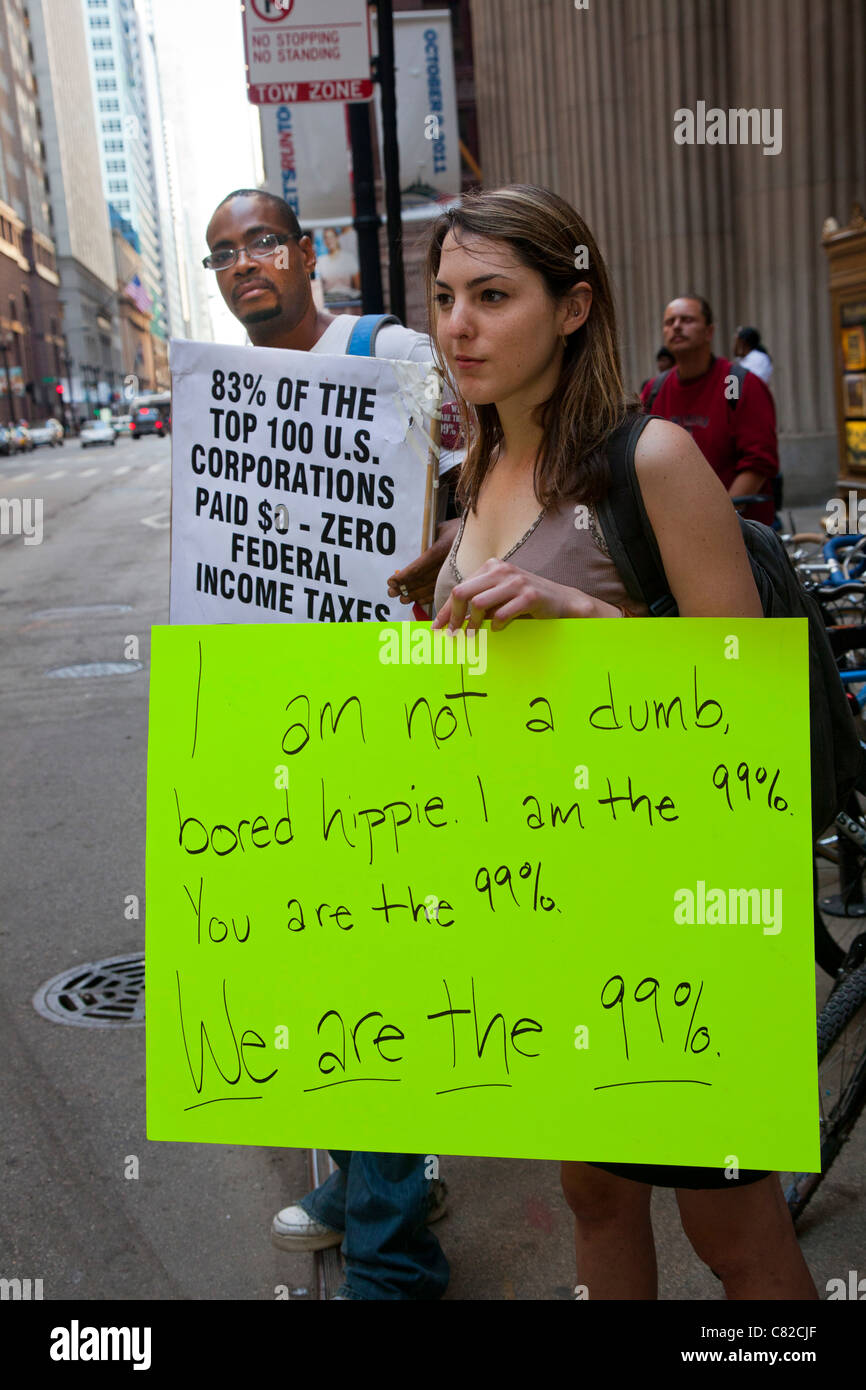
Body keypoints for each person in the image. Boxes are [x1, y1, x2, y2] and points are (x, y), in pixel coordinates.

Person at [425, 183, 817, 1301]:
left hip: (678, 906)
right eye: (446, 295)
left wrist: (589, 622)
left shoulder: (649, 461)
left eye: (493, 295)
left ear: (573, 307)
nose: (459, 323)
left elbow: (738, 687)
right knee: (593, 1193)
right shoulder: (473, 472)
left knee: (731, 1227)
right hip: (553, 899)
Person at [204, 187, 458, 1300]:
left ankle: (392, 1250)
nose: (243, 263)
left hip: (390, 704)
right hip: (284, 708)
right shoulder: (231, 389)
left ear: (309, 254)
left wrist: (445, 543)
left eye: (262, 241)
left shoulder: (386, 348)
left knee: (376, 965)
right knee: (308, 956)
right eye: (221, 252)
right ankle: (363, 1179)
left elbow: (479, 458)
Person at [641, 296, 779, 527]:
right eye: (669, 322)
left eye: (687, 320)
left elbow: (757, 464)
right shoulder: (654, 390)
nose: (676, 326)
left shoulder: (739, 384)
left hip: (739, 535)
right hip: (672, 532)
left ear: (709, 331)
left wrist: (718, 519)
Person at [316, 226, 361, 302]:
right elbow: (318, 287)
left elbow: (358, 285)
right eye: (326, 238)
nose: (329, 241)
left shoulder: (348, 258)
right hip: (330, 303)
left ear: (337, 238)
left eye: (331, 237)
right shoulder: (321, 261)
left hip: (349, 302)